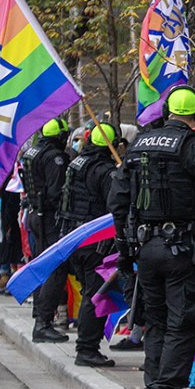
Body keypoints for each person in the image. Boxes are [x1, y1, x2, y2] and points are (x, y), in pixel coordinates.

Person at [109, 85, 195, 389]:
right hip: (182, 251)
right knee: (184, 322)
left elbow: (118, 200)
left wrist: (125, 246)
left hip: (145, 249)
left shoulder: (139, 147)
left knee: (157, 320)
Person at [56, 123, 120, 368]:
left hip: (75, 238)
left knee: (88, 293)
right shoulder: (106, 171)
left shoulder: (76, 163)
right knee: (95, 294)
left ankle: (87, 345)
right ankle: (86, 348)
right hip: (95, 244)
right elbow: (115, 204)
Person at [21, 118, 71, 343]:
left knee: (42, 266)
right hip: (48, 218)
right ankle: (43, 322)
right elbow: (56, 193)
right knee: (56, 269)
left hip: (34, 215)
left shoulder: (32, 152)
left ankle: (39, 316)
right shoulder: (55, 158)